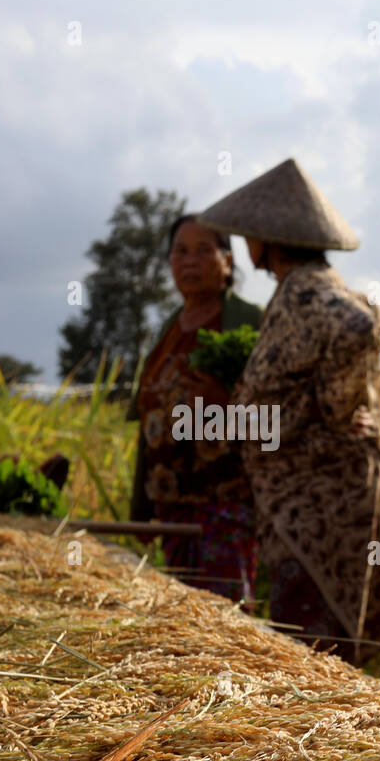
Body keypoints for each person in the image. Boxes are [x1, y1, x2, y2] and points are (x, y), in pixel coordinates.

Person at [198, 159, 380, 665]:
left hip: (323, 504)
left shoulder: (309, 291)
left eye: (250, 236)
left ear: (267, 241)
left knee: (318, 651)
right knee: (316, 649)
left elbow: (356, 329)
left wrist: (336, 405)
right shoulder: (298, 288)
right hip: (309, 503)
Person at [127, 215, 265, 603]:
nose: (189, 261)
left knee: (224, 622)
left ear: (228, 262)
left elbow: (277, 420)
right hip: (173, 513)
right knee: (184, 625)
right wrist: (141, 509)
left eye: (204, 250)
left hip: (226, 510)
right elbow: (148, 427)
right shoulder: (166, 333)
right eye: (180, 252)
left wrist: (230, 406)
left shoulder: (251, 323)